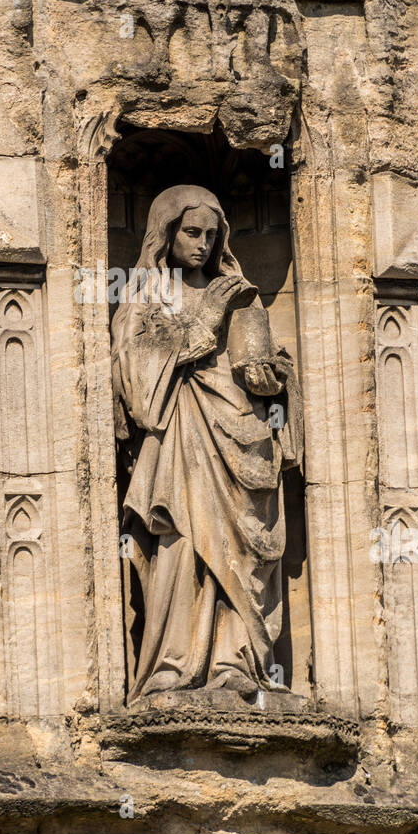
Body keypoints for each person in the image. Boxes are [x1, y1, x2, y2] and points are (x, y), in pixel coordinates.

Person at [111, 184, 300, 702]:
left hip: (240, 433)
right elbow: (137, 383)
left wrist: (272, 377)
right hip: (178, 434)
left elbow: (264, 372)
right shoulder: (146, 295)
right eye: (191, 232)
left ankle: (234, 661)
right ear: (166, 234)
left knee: (241, 553)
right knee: (179, 541)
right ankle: (173, 663)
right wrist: (204, 322)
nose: (201, 244)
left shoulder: (240, 293)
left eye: (211, 236)